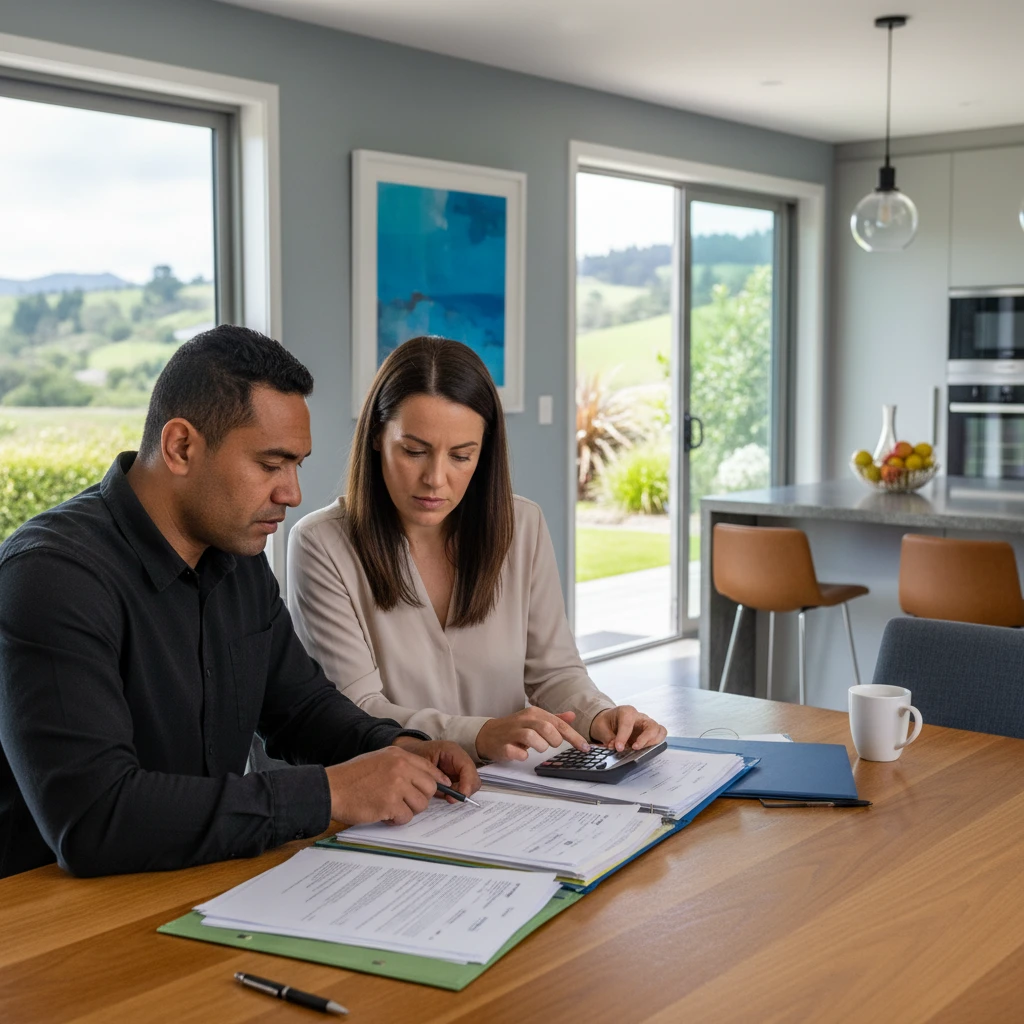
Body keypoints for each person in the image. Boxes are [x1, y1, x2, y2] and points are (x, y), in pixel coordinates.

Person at [0, 326, 479, 879]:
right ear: (181, 447)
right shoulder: (50, 576)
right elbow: (94, 818)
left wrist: (398, 748)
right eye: (271, 465)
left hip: (204, 880)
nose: (292, 493)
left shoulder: (238, 555)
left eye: (296, 465)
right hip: (58, 918)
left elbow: (299, 708)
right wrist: (329, 794)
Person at [287, 336, 668, 763]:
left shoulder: (522, 526)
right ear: (377, 435)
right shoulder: (321, 543)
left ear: (484, 452)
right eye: (414, 451)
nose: (436, 478)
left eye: (461, 456)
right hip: (396, 793)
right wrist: (480, 734)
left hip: (509, 792)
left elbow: (554, 672)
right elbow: (357, 709)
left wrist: (599, 715)